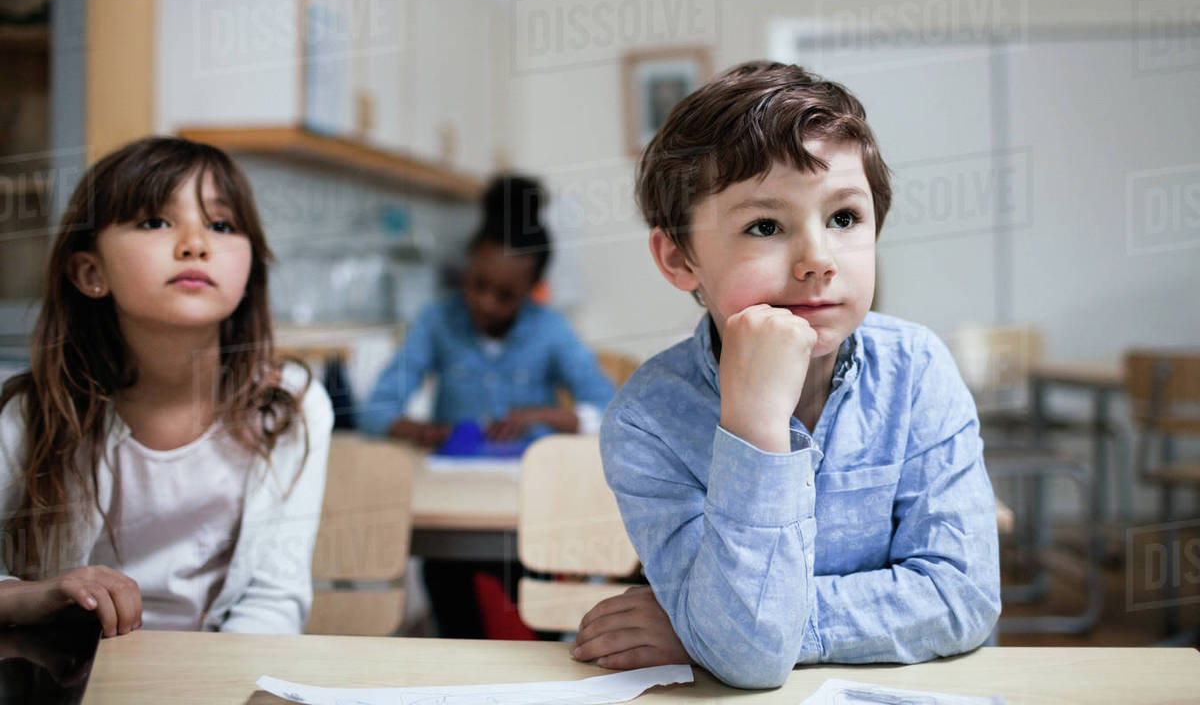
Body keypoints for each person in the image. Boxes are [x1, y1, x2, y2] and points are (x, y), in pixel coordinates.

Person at [570, 62, 1001, 688]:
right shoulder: (649, 419)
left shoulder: (917, 371)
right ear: (679, 257)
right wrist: (754, 427)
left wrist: (704, 629)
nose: (818, 261)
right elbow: (747, 661)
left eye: (845, 218)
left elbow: (963, 599)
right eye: (765, 227)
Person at [0, 137, 333, 637]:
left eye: (221, 225)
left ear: (248, 271)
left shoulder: (291, 408)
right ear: (90, 272)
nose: (195, 244)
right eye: (156, 222)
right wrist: (37, 595)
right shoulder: (30, 414)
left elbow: (273, 601)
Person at [361, 174, 616, 638]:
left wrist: (541, 415)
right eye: (476, 285)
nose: (484, 302)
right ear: (465, 271)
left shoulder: (550, 330)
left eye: (505, 295)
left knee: (542, 624)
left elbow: (611, 410)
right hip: (450, 512)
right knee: (453, 612)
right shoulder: (437, 320)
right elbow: (375, 409)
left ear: (533, 290)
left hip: (526, 513)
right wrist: (420, 431)